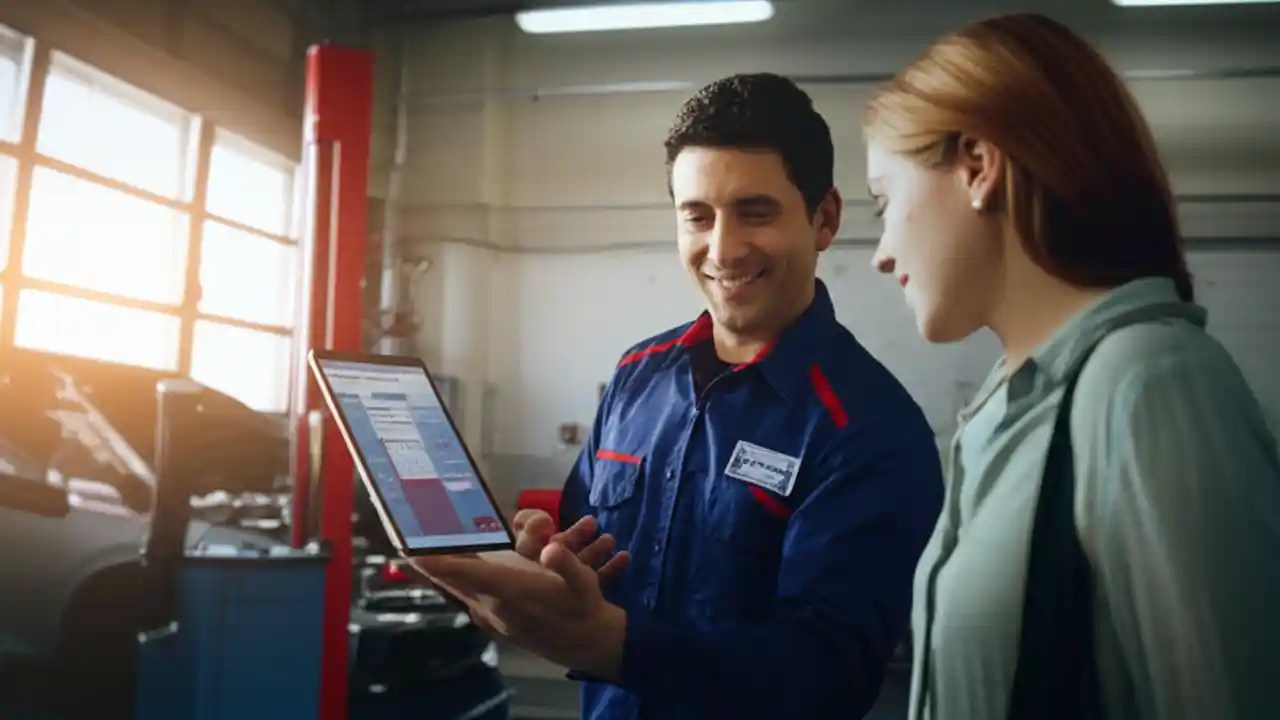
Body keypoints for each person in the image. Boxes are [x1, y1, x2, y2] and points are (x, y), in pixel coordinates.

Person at [415, 73, 944, 719]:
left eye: (755, 212)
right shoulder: (637, 377)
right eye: (697, 216)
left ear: (824, 218)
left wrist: (614, 645)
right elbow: (587, 564)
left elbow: (828, 676)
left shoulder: (869, 431)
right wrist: (541, 573)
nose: (721, 249)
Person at [862, 13, 1280, 720]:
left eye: (884, 202)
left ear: (977, 167)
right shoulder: (1010, 401)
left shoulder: (1151, 384)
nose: (880, 252)